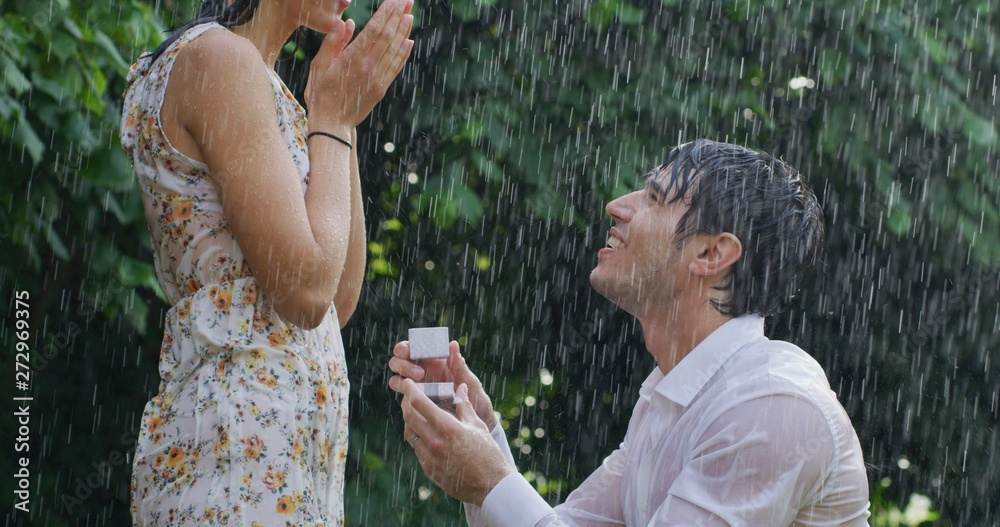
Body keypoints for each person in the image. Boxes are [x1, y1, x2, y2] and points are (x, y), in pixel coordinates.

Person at [388, 140, 871, 526]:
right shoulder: (669, 396)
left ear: (710, 255)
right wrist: (483, 437)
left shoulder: (770, 407)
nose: (617, 207)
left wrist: (490, 480)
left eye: (655, 199)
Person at [121, 0, 413, 524]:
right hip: (231, 464)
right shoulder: (218, 60)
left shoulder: (268, 86)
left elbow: (335, 302)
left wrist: (336, 120)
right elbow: (305, 292)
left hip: (277, 469)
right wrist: (333, 117)